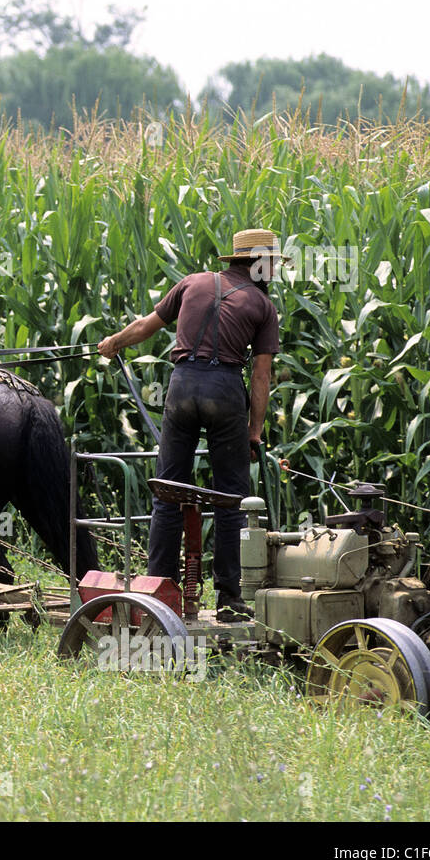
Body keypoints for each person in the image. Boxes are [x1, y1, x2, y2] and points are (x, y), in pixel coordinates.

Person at [98, 228, 282, 622]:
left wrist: (113, 342)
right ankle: (229, 598)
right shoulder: (263, 306)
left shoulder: (192, 283)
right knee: (230, 499)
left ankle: (157, 593)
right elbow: (262, 376)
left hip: (181, 387)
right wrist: (254, 431)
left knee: (168, 492)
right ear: (258, 265)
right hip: (225, 391)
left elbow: (146, 326)